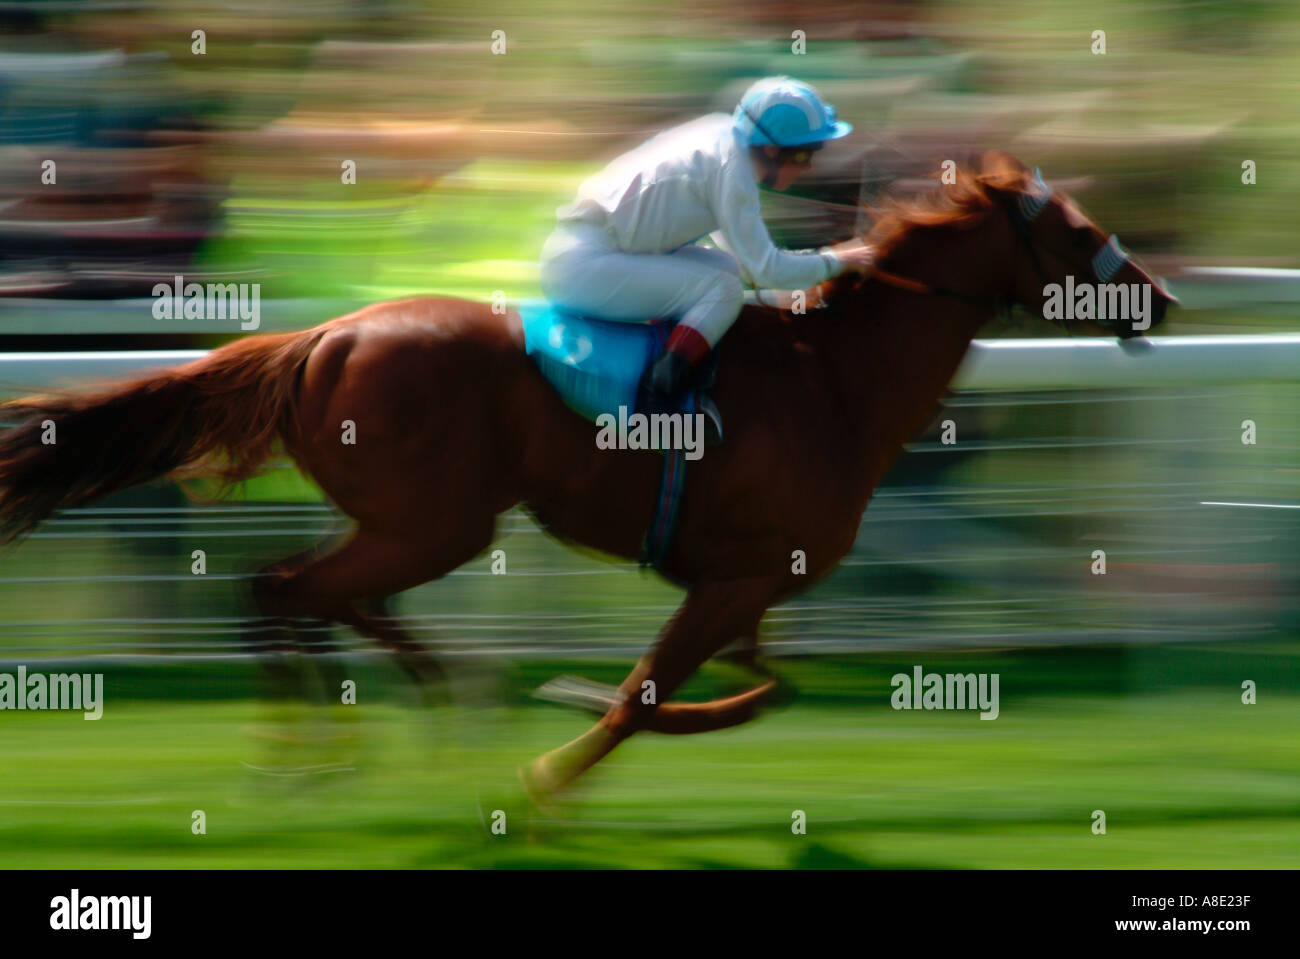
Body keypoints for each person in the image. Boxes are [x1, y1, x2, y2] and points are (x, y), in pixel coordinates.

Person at [539, 76, 877, 426]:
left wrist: (775, 289)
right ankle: (659, 397)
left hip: (587, 250)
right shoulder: (736, 171)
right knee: (724, 289)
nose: (809, 166)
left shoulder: (722, 133)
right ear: (772, 150)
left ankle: (669, 358)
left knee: (728, 273)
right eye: (805, 153)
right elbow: (766, 269)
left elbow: (748, 264)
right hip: (584, 266)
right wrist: (841, 260)